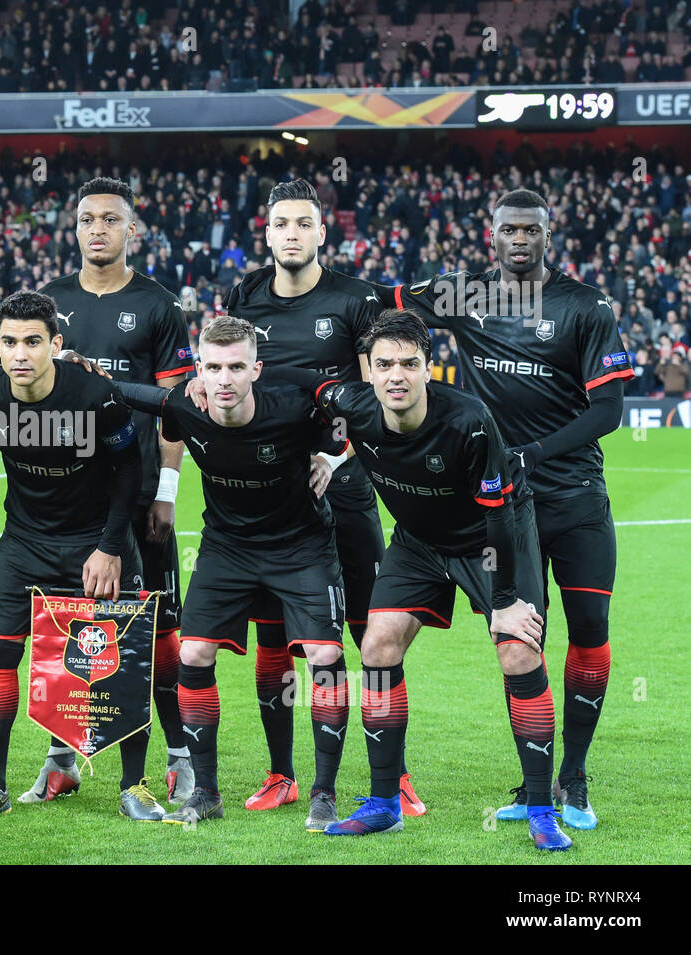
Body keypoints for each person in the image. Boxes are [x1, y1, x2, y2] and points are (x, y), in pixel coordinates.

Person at [255, 309, 571, 851]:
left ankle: (542, 810)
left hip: (490, 537)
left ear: (430, 367)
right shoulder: (352, 403)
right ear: (368, 371)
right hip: (419, 542)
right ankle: (384, 803)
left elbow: (499, 516)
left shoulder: (470, 421)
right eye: (384, 365)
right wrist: (231, 374)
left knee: (518, 652)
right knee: (377, 645)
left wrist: (503, 602)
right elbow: (307, 379)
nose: (396, 375)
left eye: (408, 363)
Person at [385, 188, 634, 830]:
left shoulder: (585, 306)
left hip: (575, 496)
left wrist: (533, 452)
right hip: (505, 505)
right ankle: (536, 785)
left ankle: (574, 776)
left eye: (530, 230)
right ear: (490, 234)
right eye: (508, 230)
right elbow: (378, 305)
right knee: (522, 638)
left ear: (548, 235)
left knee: (590, 631)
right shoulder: (463, 295)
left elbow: (609, 411)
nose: (519, 239)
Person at [115, 316, 350, 828]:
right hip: (227, 548)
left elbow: (362, 421)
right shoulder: (184, 406)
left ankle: (324, 793)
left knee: (326, 655)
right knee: (193, 653)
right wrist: (77, 368)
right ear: (199, 370)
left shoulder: (293, 408)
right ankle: (206, 792)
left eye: (237, 368)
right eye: (214, 367)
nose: (224, 379)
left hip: (301, 546)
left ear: (256, 371)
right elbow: (127, 392)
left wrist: (331, 462)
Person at [0, 290, 163, 821]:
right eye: (9, 341)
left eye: (33, 342)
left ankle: (135, 787)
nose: (20, 354)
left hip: (96, 544)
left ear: (56, 345)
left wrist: (110, 548)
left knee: (122, 666)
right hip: (23, 544)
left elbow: (129, 470)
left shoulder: (94, 394)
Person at [220, 179, 406, 813]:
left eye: (304, 223)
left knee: (371, 632)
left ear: (323, 232)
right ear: (267, 232)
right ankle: (282, 773)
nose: (292, 233)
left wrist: (338, 454)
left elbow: (379, 394)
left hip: (345, 486)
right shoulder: (244, 296)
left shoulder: (357, 300)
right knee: (274, 639)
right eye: (282, 223)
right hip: (272, 497)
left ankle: (395, 774)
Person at [31, 176, 197, 806]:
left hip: (142, 494)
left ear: (132, 229)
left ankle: (179, 755)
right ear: (74, 228)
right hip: (71, 499)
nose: (96, 229)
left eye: (109, 219)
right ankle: (61, 760)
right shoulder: (50, 302)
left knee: (160, 629)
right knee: (66, 628)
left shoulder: (159, 305)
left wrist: (167, 491)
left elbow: (176, 408)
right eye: (86, 219)